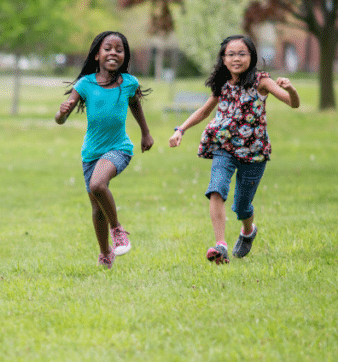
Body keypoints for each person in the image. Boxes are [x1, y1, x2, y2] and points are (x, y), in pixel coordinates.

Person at [169, 35, 299, 264]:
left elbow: (292, 103)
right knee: (216, 188)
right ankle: (221, 245)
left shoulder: (261, 81)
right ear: (223, 58)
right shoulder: (222, 84)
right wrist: (180, 129)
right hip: (224, 146)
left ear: (252, 57)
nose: (236, 58)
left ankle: (248, 231)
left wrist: (291, 89)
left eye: (242, 53)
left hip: (254, 152)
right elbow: (204, 111)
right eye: (231, 54)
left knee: (241, 206)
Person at [55, 31, 153, 270]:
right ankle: (105, 253)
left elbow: (135, 105)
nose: (113, 53)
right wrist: (63, 112)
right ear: (97, 55)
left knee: (98, 185)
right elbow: (60, 119)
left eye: (119, 50)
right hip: (91, 153)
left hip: (119, 148)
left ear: (124, 56)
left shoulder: (129, 83)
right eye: (107, 48)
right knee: (97, 207)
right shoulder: (85, 84)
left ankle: (118, 230)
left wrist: (145, 133)